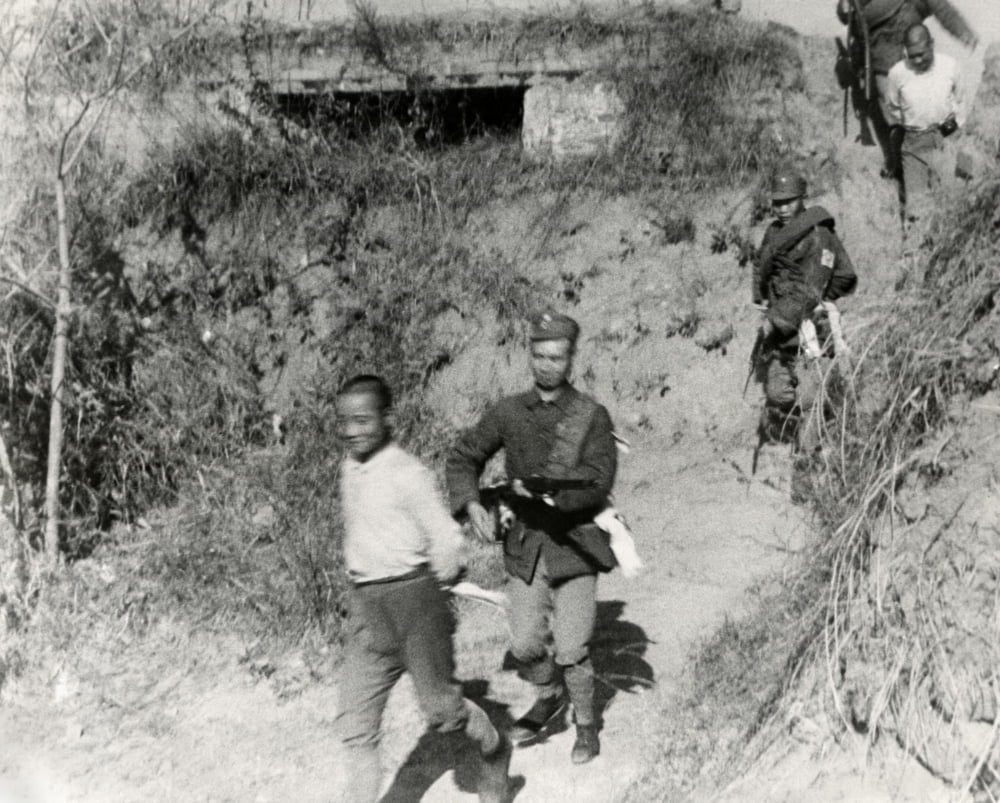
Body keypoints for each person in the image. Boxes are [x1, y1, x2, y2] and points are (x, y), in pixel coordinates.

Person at [446, 312, 617, 765]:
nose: (546, 365)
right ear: (530, 355)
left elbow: (600, 481)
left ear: (570, 358)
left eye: (556, 357)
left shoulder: (591, 416)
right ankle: (549, 693)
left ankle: (585, 723)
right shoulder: (508, 412)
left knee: (573, 644)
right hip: (527, 546)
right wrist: (472, 505)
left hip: (576, 544)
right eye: (539, 355)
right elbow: (464, 457)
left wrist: (549, 495)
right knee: (523, 644)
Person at [333, 374, 511, 803]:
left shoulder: (408, 474)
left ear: (386, 417)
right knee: (356, 727)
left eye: (363, 419)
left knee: (444, 712)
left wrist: (440, 584)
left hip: (416, 605)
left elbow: (446, 537)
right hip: (367, 612)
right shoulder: (348, 469)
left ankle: (495, 748)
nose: (353, 431)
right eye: (344, 422)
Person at [752, 169, 858, 454]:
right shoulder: (774, 232)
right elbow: (762, 267)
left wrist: (821, 303)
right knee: (777, 391)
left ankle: (809, 455)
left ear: (802, 198)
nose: (782, 208)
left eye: (789, 201)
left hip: (809, 327)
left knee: (810, 396)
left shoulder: (818, 235)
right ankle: (829, 409)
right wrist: (764, 303)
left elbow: (812, 288)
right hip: (781, 331)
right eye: (778, 202)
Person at [836, 0, 975, 177]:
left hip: (899, 45)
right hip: (878, 51)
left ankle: (931, 164)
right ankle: (901, 165)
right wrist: (845, 9)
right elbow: (846, 14)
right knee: (893, 116)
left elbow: (937, 5)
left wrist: (960, 29)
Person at [886, 23, 962, 223]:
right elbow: (893, 107)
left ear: (932, 45)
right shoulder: (897, 73)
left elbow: (960, 99)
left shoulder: (950, 66)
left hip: (945, 137)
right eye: (912, 56)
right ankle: (915, 251)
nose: (918, 60)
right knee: (917, 209)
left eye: (922, 53)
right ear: (905, 52)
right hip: (914, 144)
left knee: (953, 198)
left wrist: (950, 129)